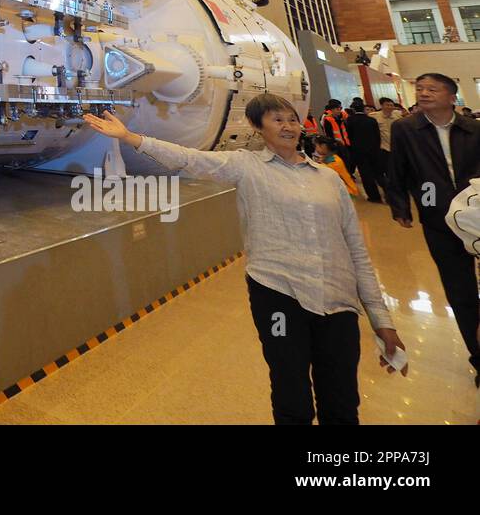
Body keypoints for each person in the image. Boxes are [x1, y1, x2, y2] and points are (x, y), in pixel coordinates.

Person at [83, 94, 404, 425]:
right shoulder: (245, 166)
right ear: (258, 127)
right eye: (277, 120)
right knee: (291, 395)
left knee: (342, 401)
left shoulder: (328, 179)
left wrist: (382, 319)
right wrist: (130, 138)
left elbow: (355, 249)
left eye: (292, 119)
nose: (288, 126)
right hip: (278, 294)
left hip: (337, 300)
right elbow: (189, 159)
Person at [386, 72, 480, 383]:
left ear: (452, 96)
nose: (424, 93)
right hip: (438, 217)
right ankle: (479, 358)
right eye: (420, 88)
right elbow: (397, 168)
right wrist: (400, 206)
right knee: (460, 290)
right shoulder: (405, 129)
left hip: (477, 215)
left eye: (432, 89)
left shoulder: (474, 129)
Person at [344, 98, 385, 204]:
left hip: (359, 152)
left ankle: (374, 197)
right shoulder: (371, 120)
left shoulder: (350, 120)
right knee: (379, 173)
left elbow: (349, 136)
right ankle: (389, 193)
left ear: (353, 109)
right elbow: (377, 136)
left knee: (366, 175)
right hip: (374, 150)